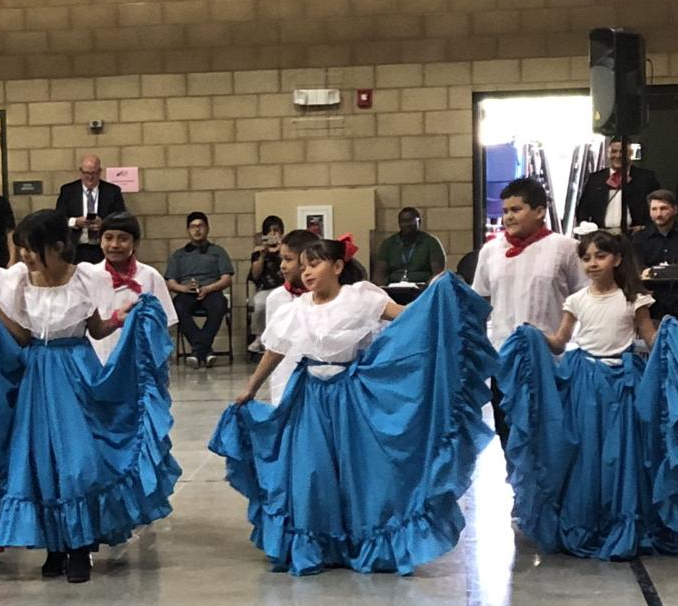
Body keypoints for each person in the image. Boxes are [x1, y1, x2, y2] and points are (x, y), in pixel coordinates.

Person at [209, 237, 497, 575]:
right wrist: (251, 388)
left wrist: (437, 295)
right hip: (310, 397)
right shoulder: (297, 309)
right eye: (302, 268)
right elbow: (275, 350)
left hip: (351, 396)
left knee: (358, 472)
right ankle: (316, 544)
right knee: (312, 471)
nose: (306, 273)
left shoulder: (360, 296)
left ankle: (361, 543)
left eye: (313, 265)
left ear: (337, 266)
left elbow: (408, 319)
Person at [0, 209, 178, 584]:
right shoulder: (20, 281)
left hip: (76, 370)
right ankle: (55, 547)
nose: (26, 256)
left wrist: (123, 317)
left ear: (57, 247)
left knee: (79, 461)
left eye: (32, 249)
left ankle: (80, 545)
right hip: (37, 374)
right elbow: (24, 337)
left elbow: (95, 328)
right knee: (39, 460)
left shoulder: (86, 277)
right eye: (23, 250)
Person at [496, 230, 678, 559]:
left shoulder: (633, 299)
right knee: (586, 454)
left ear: (617, 260)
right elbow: (560, 342)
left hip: (622, 384)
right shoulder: (577, 300)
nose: (592, 264)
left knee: (620, 455)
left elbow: (648, 338)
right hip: (584, 383)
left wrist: (668, 339)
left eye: (600, 256)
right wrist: (533, 337)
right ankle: (589, 520)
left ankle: (623, 519)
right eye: (587, 258)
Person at [472, 177, 588, 447]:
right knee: (509, 435)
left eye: (516, 209)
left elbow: (584, 299)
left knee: (552, 438)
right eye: (505, 211)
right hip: (504, 359)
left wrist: (566, 340)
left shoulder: (565, 247)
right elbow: (479, 303)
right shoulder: (491, 251)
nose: (508, 217)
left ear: (539, 211)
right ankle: (519, 488)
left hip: (551, 359)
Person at [87, 211, 178, 363]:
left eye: (123, 239)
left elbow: (165, 323)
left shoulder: (150, 276)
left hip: (139, 362)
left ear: (135, 243)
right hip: (98, 358)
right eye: (108, 238)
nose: (114, 245)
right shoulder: (89, 276)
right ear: (100, 241)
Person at [164, 211, 233, 368]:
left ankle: (197, 351)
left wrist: (209, 288)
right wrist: (183, 287)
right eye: (193, 227)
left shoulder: (218, 252)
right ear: (188, 230)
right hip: (187, 292)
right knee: (177, 307)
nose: (197, 230)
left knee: (219, 304)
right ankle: (205, 350)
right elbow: (170, 282)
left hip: (211, 290)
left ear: (207, 229)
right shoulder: (179, 255)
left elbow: (226, 279)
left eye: (201, 226)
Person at [261, 229, 321, 403]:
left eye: (288, 259)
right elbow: (273, 347)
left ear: (306, 260)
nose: (282, 266)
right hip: (285, 378)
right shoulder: (276, 298)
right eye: (282, 259)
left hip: (319, 381)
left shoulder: (328, 295)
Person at [55, 154, 127, 264]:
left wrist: (103, 224)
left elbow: (121, 220)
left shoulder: (113, 191)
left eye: (94, 173)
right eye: (86, 173)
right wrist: (75, 222)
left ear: (100, 171)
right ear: (80, 171)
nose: (90, 177)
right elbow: (58, 219)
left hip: (103, 249)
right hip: (76, 248)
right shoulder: (68, 191)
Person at [575, 140, 659, 231]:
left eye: (622, 152)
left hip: (636, 237)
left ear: (630, 154)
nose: (618, 156)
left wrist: (645, 229)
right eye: (614, 151)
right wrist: (587, 228)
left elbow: (658, 206)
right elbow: (582, 211)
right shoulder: (595, 179)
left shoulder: (645, 178)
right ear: (608, 154)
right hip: (602, 237)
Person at [630, 189, 678, 268]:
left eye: (663, 208)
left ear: (675, 210)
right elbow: (636, 269)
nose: (659, 214)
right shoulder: (640, 237)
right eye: (654, 209)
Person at [372, 207, 447, 285]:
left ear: (419, 222)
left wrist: (426, 289)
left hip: (423, 288)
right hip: (394, 289)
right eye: (403, 221)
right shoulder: (388, 243)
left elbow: (438, 274)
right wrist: (383, 290)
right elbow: (379, 274)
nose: (407, 224)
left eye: (410, 221)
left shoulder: (431, 242)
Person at [248, 216, 285, 354]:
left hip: (283, 288)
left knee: (283, 305)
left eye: (276, 231)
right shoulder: (258, 253)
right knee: (260, 304)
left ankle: (280, 339)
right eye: (269, 232)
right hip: (265, 289)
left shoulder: (286, 250)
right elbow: (255, 275)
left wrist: (281, 251)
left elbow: (292, 269)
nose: (273, 235)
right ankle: (259, 337)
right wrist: (263, 255)